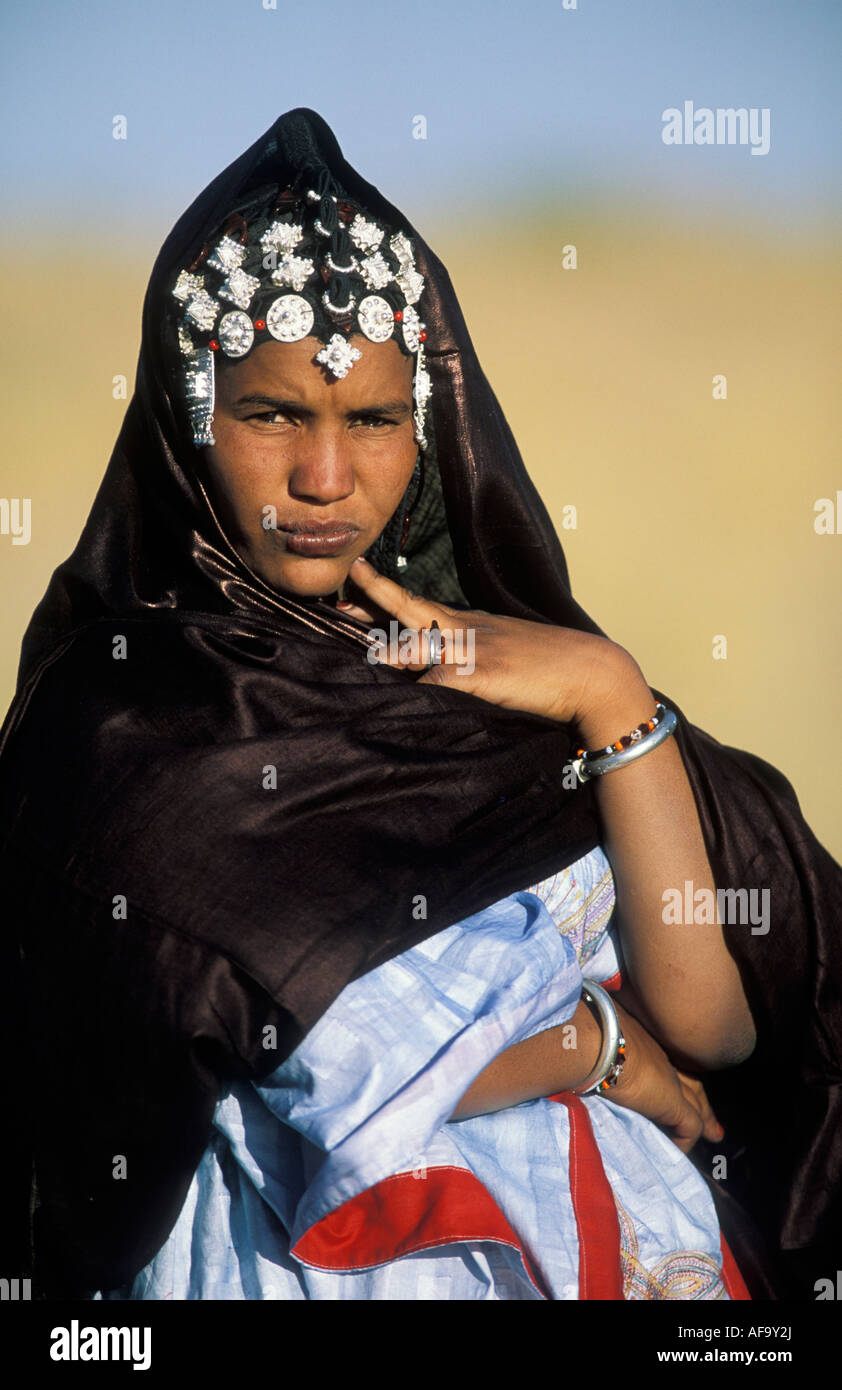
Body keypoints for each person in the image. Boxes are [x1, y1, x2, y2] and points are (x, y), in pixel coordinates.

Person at [1, 108, 839, 1302]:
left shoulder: (516, 665)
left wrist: (608, 696)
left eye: (375, 421)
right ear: (191, 419)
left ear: (430, 427)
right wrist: (601, 1056)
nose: (326, 478)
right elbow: (334, 1070)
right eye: (273, 413)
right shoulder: (127, 719)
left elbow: (713, 1028)